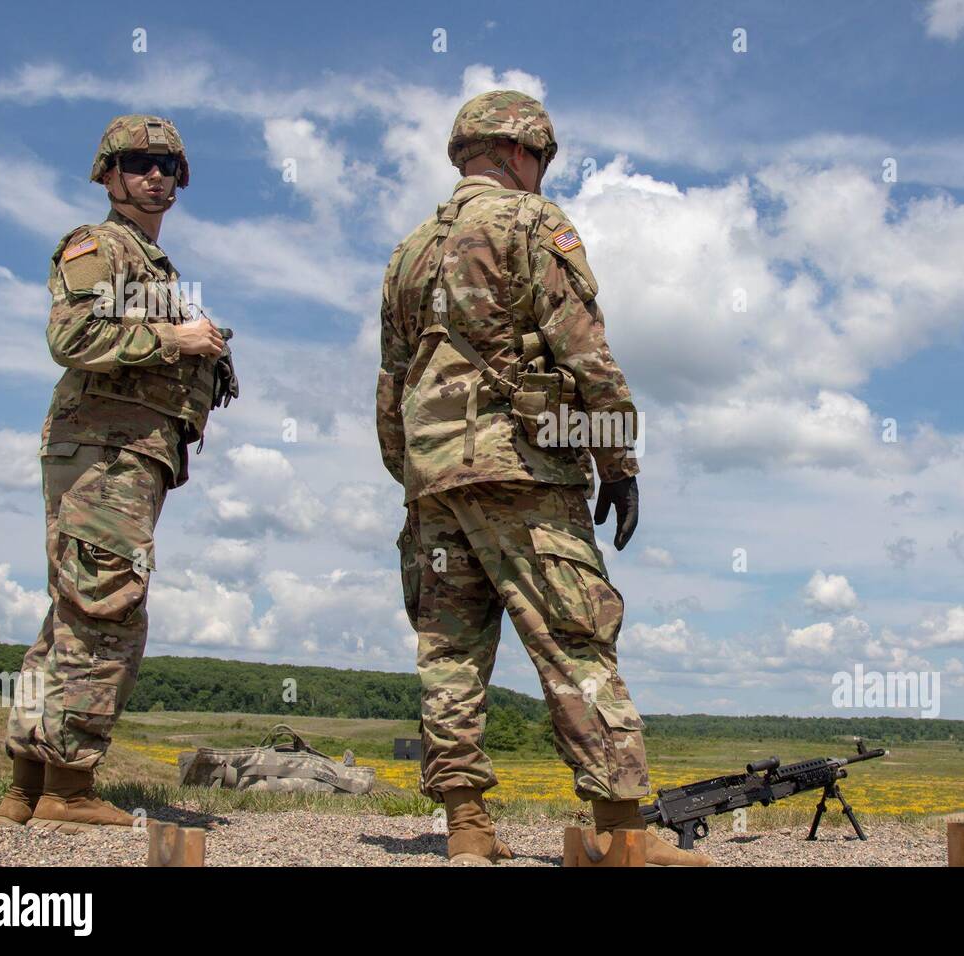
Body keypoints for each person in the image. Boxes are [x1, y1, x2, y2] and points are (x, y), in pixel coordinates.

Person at [377, 90, 709, 865]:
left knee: (451, 655)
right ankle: (622, 832)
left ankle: (466, 828)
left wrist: (414, 473)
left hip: (433, 481)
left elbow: (391, 385)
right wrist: (618, 462)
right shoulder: (532, 222)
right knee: (575, 638)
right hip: (522, 468)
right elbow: (586, 353)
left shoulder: (409, 251)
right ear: (523, 152)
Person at [0, 114, 238, 833]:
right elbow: (70, 337)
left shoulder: (152, 265)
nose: (155, 175)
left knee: (75, 610)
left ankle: (28, 787)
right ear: (107, 172)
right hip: (105, 452)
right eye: (137, 162)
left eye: (168, 166)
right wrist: (177, 338)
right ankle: (70, 788)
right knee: (110, 609)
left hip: (128, 454)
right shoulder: (98, 244)